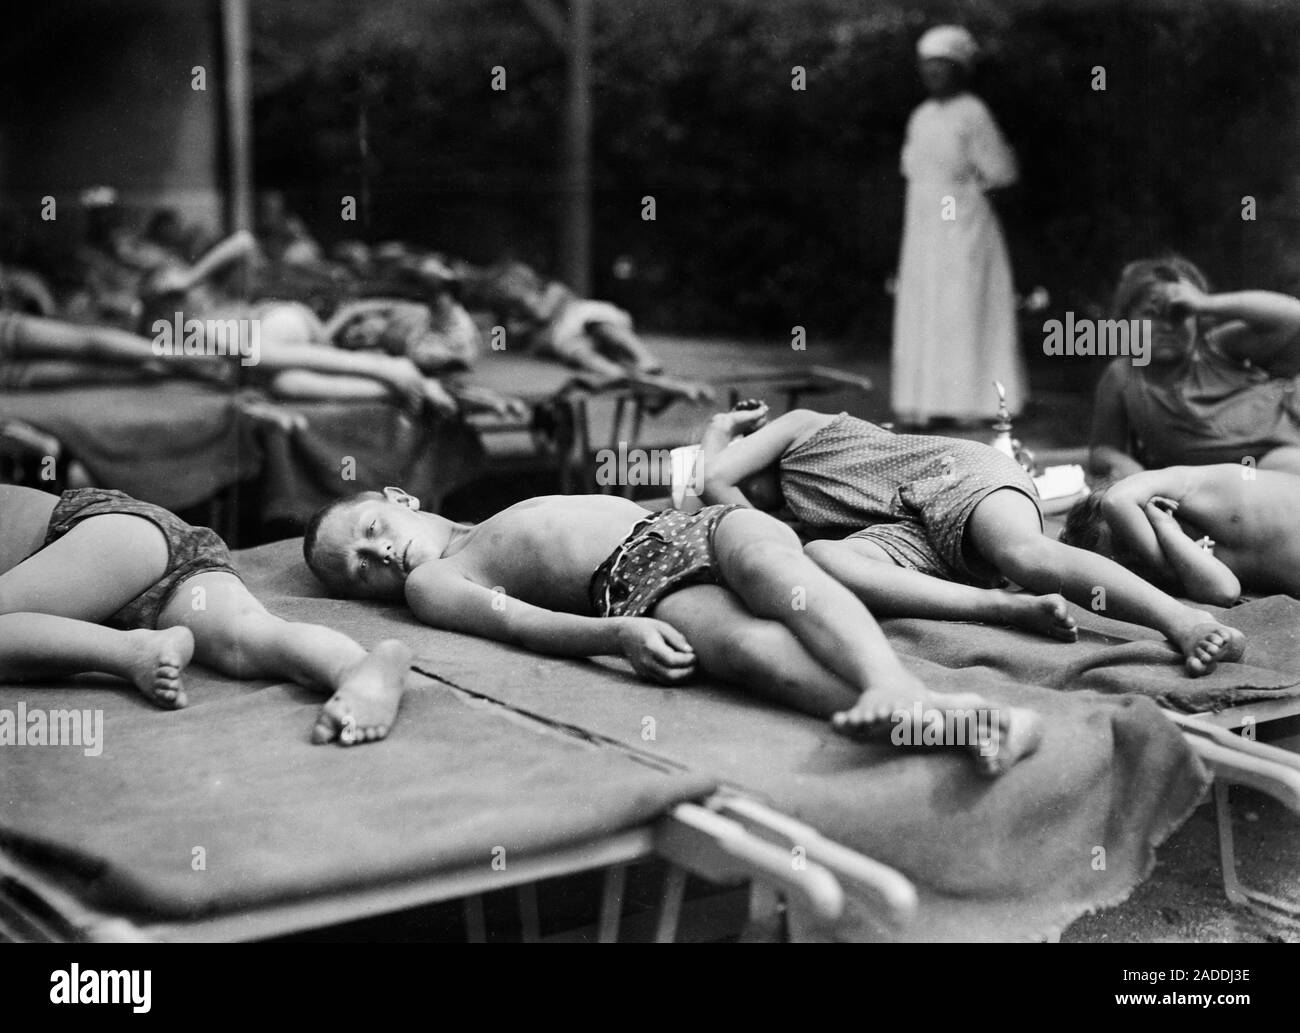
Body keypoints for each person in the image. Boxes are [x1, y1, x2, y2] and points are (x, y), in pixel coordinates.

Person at [302, 487, 1045, 775]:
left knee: (788, 582)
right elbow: (522, 625)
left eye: (372, 529)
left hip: (694, 526)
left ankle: (896, 685)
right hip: (635, 584)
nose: (378, 555)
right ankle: (970, 723)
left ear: (400, 497)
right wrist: (616, 635)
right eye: (358, 570)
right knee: (753, 652)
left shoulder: (480, 516)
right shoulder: (436, 580)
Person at [695, 403, 1245, 676]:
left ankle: (1186, 622)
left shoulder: (797, 426)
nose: (750, 493)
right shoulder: (800, 517)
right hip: (910, 530)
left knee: (1025, 553)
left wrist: (719, 430)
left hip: (948, 473)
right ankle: (1001, 607)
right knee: (825, 559)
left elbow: (711, 480)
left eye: (752, 482)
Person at [0, 484, 411, 745]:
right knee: (250, 635)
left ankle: (130, 652)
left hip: (115, 542)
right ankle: (357, 669)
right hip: (160, 550)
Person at [891, 25, 1025, 427]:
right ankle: (929, 402)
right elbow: (913, 169)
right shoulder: (921, 116)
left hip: (962, 221)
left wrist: (966, 196)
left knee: (960, 306)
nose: (933, 74)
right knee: (927, 304)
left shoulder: (973, 112)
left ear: (960, 70)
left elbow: (1001, 172)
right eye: (926, 66)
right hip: (924, 222)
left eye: (942, 66)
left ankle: (971, 402)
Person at [1088, 256, 1300, 481]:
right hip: (1233, 477)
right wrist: (1125, 466)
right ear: (1127, 319)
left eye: (1180, 314)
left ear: (1197, 319)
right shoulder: (1123, 376)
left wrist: (1206, 302)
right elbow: (1102, 450)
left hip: (1284, 435)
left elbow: (1293, 316)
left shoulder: (1216, 347)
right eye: (1151, 314)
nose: (1168, 327)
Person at [1060, 464, 1300, 605]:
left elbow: (1115, 501)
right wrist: (1168, 531)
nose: (1141, 550)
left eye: (1125, 540)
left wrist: (1163, 566)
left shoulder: (1178, 483)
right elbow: (1224, 591)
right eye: (1132, 567)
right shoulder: (1185, 553)